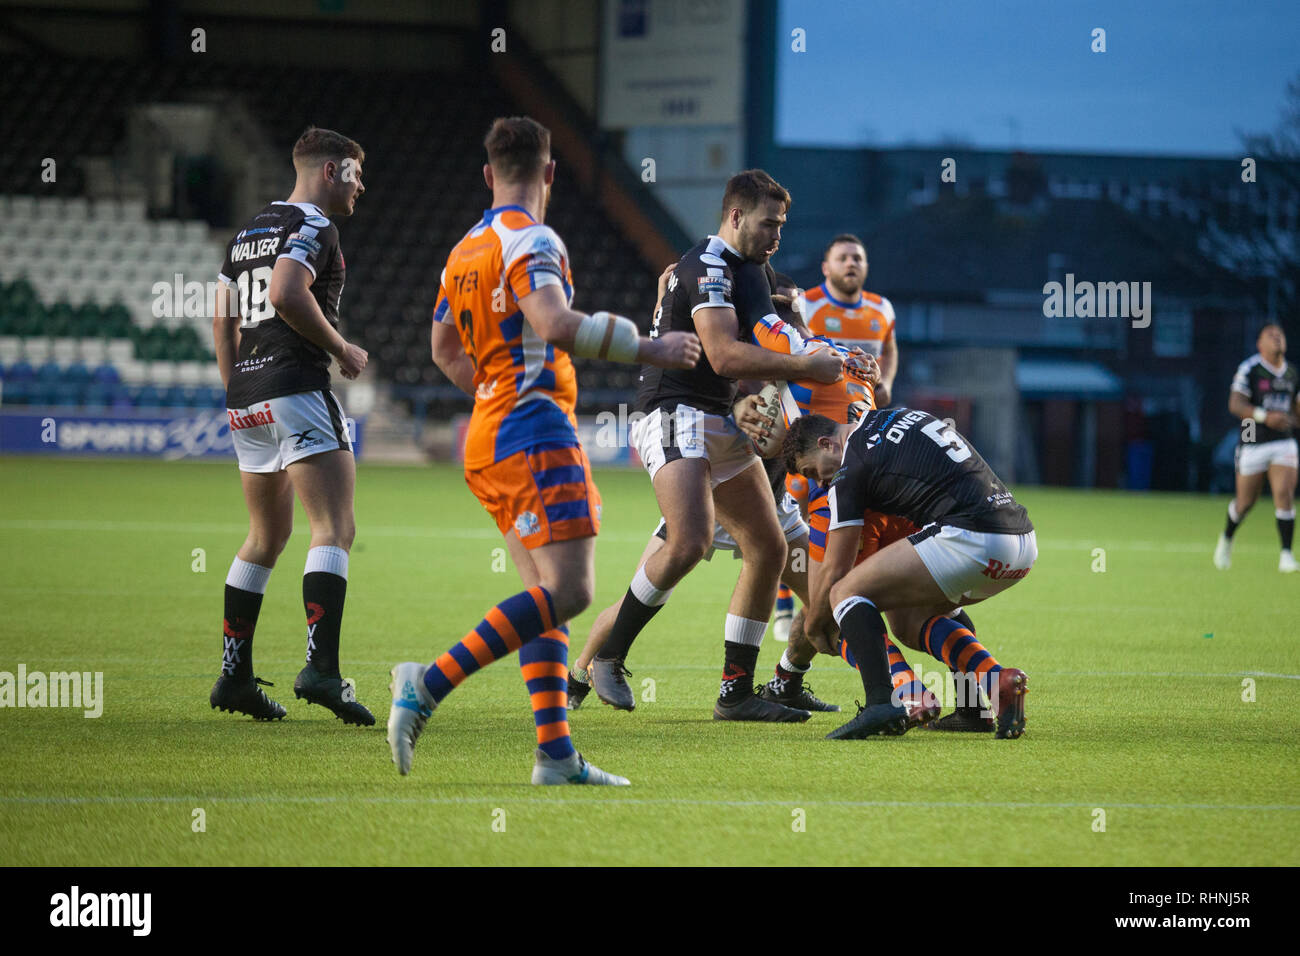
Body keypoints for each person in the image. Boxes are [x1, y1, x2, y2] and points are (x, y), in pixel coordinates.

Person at [386, 116, 700, 785]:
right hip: (533, 428)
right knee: (572, 589)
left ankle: (555, 754)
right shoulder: (532, 238)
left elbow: (444, 349)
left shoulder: (464, 248)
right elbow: (556, 324)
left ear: (487, 174)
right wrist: (655, 347)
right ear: (550, 172)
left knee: (543, 595)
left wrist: (496, 394)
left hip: (488, 433)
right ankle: (427, 684)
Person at [585, 170, 845, 722]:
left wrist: (833, 355)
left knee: (769, 548)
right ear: (735, 216)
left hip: (718, 418)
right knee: (688, 541)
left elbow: (776, 334)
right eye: (768, 223)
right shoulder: (706, 264)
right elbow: (725, 357)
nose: (776, 235)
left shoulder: (749, 271)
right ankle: (607, 657)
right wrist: (804, 367)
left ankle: (736, 693)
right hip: (676, 410)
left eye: (781, 225)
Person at [209, 126, 373, 726]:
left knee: (264, 537)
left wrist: (237, 390)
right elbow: (284, 292)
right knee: (333, 528)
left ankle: (234, 677)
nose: (362, 186)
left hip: (248, 397)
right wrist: (341, 349)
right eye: (356, 172)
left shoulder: (248, 231)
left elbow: (223, 318)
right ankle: (321, 671)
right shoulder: (313, 226)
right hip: (297, 387)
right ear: (330, 170)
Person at [785, 410, 1034, 740]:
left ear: (827, 443)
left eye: (812, 471)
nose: (819, 482)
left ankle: (884, 703)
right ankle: (990, 686)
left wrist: (816, 626)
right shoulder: (896, 415)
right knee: (910, 620)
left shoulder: (849, 466)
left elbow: (836, 568)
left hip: (971, 539)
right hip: (1020, 543)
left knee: (843, 593)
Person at [1215, 323, 1299, 573]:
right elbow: (1236, 404)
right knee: (1245, 502)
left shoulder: (1292, 374)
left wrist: (1290, 420)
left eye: (1280, 335)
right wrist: (1264, 416)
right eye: (1270, 336)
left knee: (1284, 495)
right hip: (1252, 436)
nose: (1277, 339)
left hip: (1283, 440)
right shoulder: (1250, 369)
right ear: (1260, 345)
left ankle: (1286, 555)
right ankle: (1227, 538)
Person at [803, 234, 898, 406]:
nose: (851, 263)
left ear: (866, 267)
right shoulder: (804, 304)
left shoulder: (882, 308)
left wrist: (886, 383)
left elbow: (890, 351)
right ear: (826, 268)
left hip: (866, 411)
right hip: (819, 410)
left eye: (857, 258)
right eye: (842, 258)